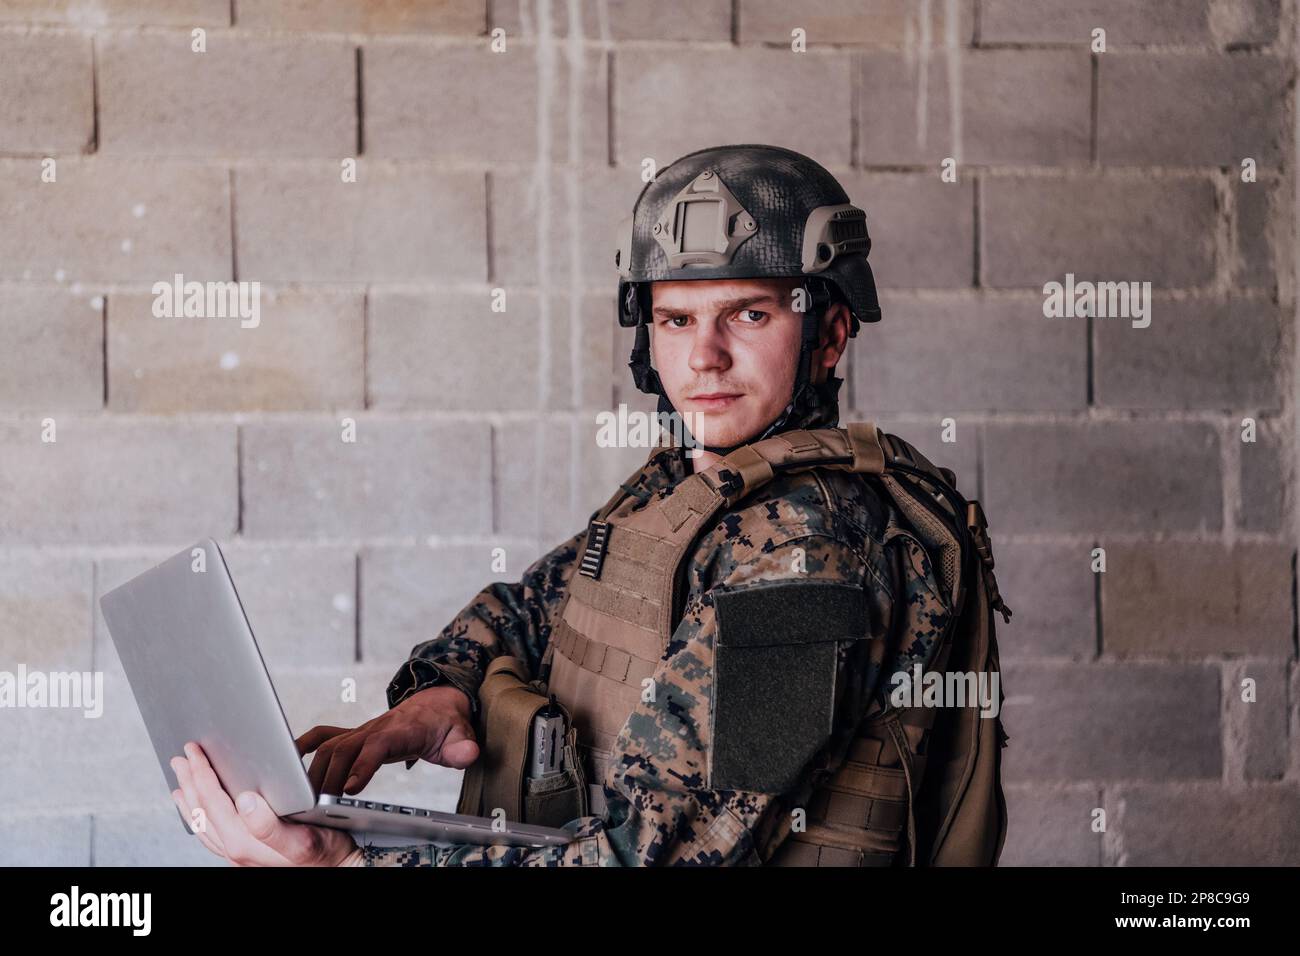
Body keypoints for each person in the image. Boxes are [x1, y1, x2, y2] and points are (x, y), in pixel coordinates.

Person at [169, 144, 1003, 867]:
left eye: (749, 314)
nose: (704, 358)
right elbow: (534, 607)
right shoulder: (692, 485)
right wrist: (438, 699)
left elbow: (659, 852)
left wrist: (353, 861)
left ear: (827, 333)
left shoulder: (815, 555)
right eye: (676, 320)